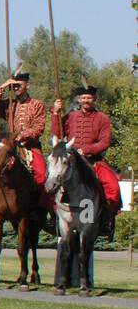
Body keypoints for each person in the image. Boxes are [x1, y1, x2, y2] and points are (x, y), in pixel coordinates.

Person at [52, 83, 120, 238]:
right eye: (83, 97)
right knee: (51, 183)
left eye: (89, 97)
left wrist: (86, 150)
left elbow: (105, 142)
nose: (86, 100)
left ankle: (105, 220)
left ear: (94, 99)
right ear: (79, 99)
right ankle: (53, 217)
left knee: (113, 189)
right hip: (71, 163)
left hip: (93, 162)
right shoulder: (70, 116)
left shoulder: (102, 118)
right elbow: (56, 133)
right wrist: (55, 113)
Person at [0, 68, 46, 212]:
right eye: (13, 86)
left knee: (41, 172)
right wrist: (3, 87)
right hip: (10, 146)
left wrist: (24, 135)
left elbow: (39, 127)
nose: (15, 88)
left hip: (29, 146)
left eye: (18, 85)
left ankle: (39, 206)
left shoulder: (37, 104)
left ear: (27, 85)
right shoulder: (10, 104)